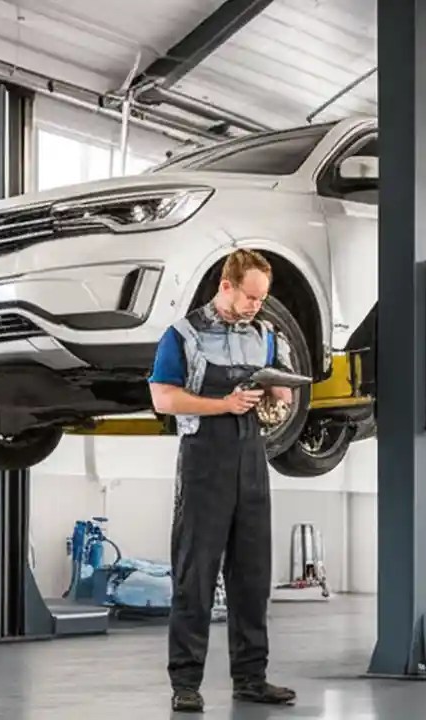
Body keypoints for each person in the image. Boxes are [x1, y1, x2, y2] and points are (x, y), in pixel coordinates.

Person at [147, 248, 298, 713]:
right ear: (226, 285)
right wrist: (222, 405)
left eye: (262, 299)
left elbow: (283, 393)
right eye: (250, 296)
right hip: (204, 459)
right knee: (196, 574)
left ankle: (251, 677)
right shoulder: (184, 335)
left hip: (251, 456)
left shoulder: (265, 335)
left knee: (252, 576)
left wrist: (280, 392)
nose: (256, 306)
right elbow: (163, 399)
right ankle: (186, 683)